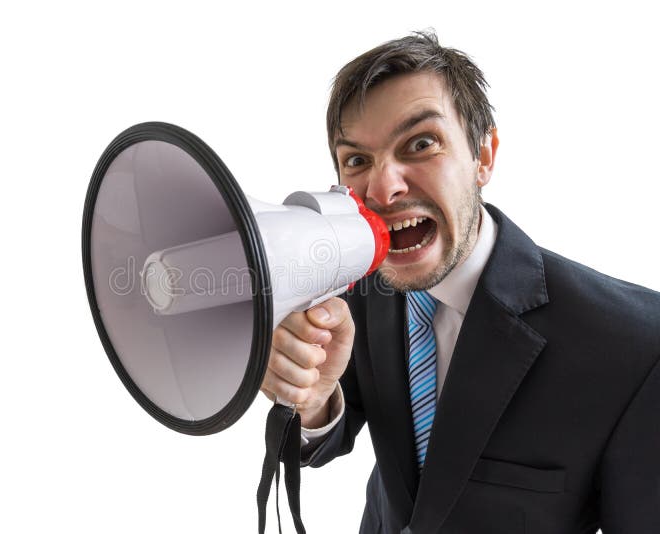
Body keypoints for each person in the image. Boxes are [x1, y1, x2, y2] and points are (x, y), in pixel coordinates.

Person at [261, 31, 660, 533]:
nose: (384, 187)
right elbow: (336, 433)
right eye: (358, 160)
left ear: (483, 156)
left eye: (421, 143)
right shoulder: (356, 283)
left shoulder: (636, 346)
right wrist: (316, 402)